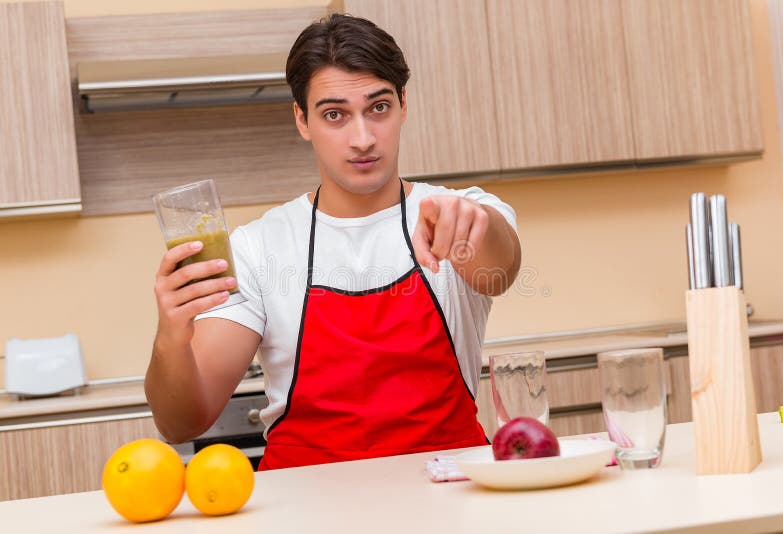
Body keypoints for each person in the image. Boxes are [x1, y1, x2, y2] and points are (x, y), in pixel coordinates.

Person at [145, 13, 521, 470]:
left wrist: (475, 221)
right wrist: (171, 335)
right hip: (304, 503)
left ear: (404, 104)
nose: (362, 138)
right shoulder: (257, 248)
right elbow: (183, 421)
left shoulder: (457, 214)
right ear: (302, 120)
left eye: (378, 108)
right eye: (335, 115)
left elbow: (500, 270)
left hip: (447, 488)